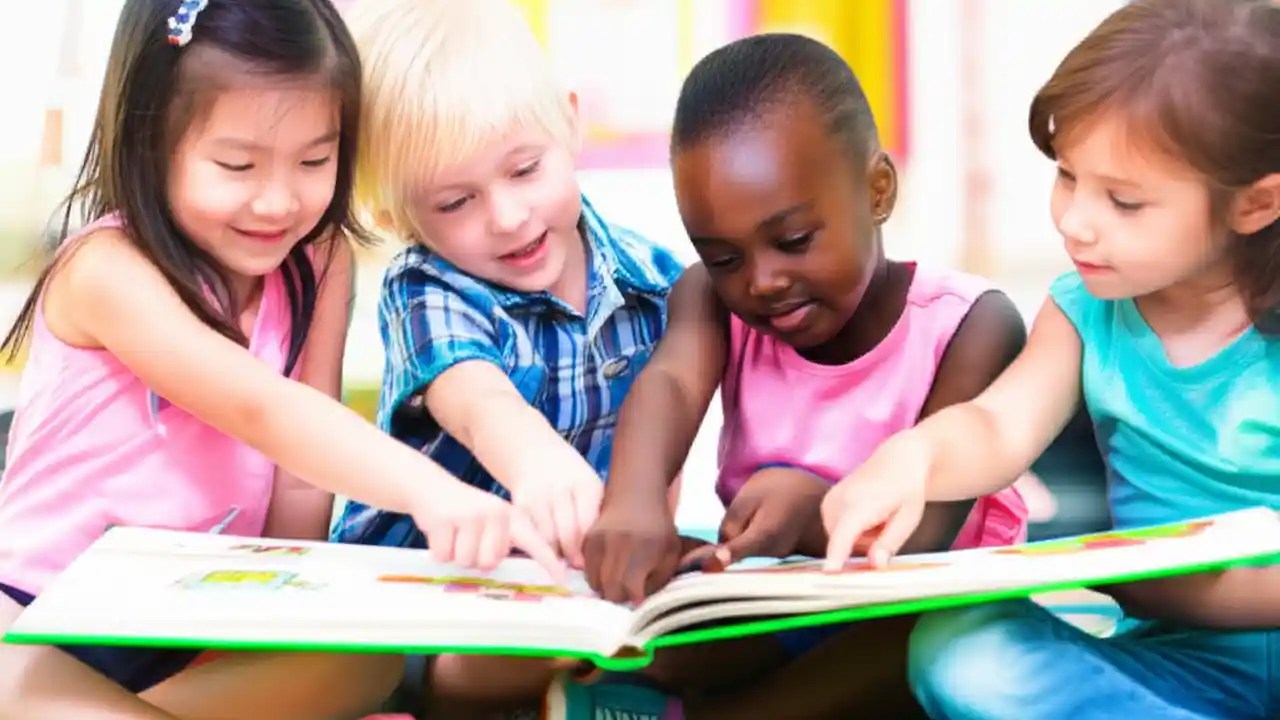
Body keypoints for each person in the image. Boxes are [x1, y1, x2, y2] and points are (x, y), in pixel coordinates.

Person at [0, 1, 560, 716]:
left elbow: (301, 479)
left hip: (197, 632)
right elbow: (259, 408)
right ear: (149, 141)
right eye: (237, 164)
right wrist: (430, 489)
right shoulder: (105, 269)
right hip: (41, 615)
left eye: (314, 160)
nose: (278, 200)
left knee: (363, 665)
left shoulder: (318, 262)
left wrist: (275, 623)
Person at [820, 1, 1280, 717]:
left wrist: (1177, 590)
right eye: (1068, 176)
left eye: (1124, 202)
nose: (1074, 219)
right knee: (960, 647)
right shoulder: (1084, 312)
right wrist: (915, 457)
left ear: (1256, 205)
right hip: (1171, 673)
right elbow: (999, 428)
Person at [576, 33, 1028, 719]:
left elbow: (928, 535)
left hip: (917, 602)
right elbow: (670, 381)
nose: (760, 282)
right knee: (653, 635)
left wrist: (811, 512)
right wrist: (633, 500)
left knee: (928, 640)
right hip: (781, 599)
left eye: (792, 242)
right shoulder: (708, 301)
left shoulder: (973, 325)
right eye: (723, 256)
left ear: (876, 190)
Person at [329, 0, 684, 715]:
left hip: (572, 581)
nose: (507, 216)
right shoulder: (427, 283)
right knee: (501, 654)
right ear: (402, 218)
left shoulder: (655, 280)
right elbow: (474, 395)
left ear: (569, 121)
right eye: (456, 202)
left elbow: (664, 449)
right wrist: (534, 460)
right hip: (424, 586)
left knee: (679, 625)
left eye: (525, 170)